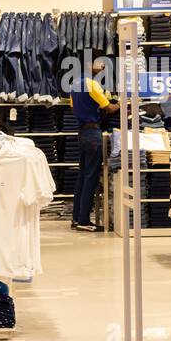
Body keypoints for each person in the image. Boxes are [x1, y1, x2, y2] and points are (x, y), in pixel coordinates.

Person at [68, 55, 118, 232]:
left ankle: (76, 218)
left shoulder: (74, 84)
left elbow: (73, 108)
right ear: (89, 64)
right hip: (93, 133)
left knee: (82, 176)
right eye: (99, 63)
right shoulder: (92, 84)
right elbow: (108, 108)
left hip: (82, 131)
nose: (103, 65)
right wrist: (122, 103)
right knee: (91, 177)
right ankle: (83, 221)